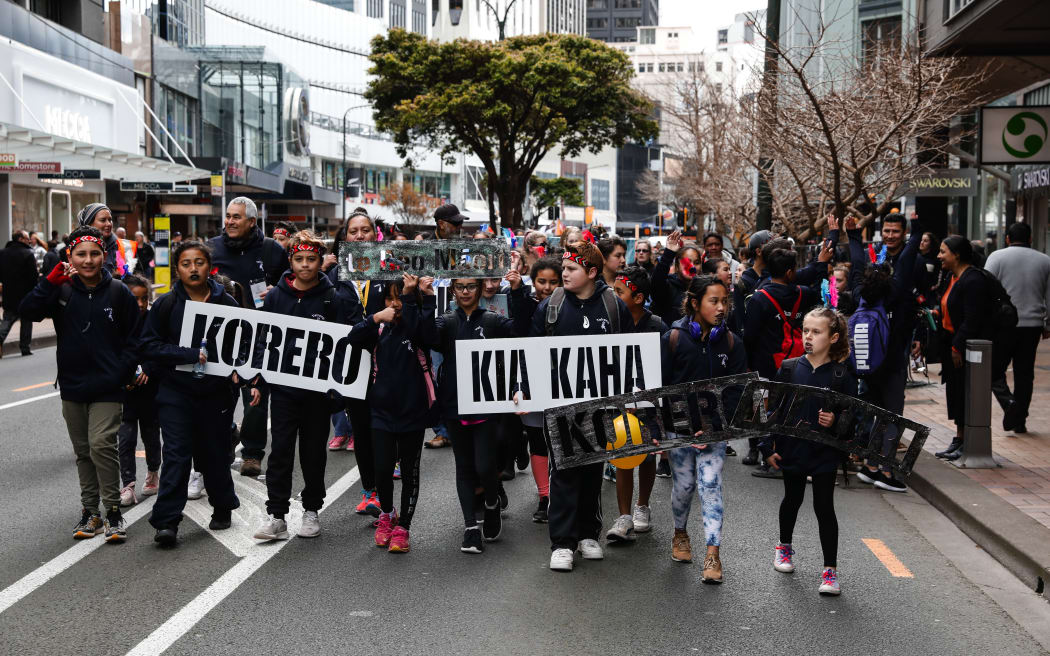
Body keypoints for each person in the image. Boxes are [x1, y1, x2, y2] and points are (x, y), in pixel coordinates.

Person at [511, 241, 632, 572]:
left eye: (571, 269)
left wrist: (630, 396)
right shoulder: (551, 306)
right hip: (559, 403)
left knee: (592, 469)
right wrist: (523, 388)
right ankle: (562, 542)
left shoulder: (612, 305)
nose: (563, 273)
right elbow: (532, 351)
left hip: (598, 405)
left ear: (591, 272)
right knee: (563, 470)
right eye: (563, 267)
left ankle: (588, 535)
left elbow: (628, 354)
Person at [20, 225, 140, 542]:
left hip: (108, 386)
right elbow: (27, 310)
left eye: (94, 254)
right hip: (73, 386)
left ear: (103, 255)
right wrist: (49, 282)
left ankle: (113, 511)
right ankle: (90, 512)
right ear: (70, 256)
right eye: (81, 254)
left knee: (101, 445)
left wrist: (122, 372)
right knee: (84, 451)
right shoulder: (61, 290)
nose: (88, 260)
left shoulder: (119, 292)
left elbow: (134, 340)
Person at [253, 231, 357, 541]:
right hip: (284, 390)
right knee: (280, 452)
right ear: (291, 261)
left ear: (320, 261)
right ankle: (277, 515)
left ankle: (311, 510)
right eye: (299, 259)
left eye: (311, 259)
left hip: (317, 392)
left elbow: (343, 344)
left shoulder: (331, 297)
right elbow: (264, 337)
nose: (305, 265)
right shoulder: (275, 297)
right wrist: (257, 376)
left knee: (313, 453)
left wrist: (337, 387)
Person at [139, 241, 243, 546]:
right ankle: (166, 521)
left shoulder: (228, 304)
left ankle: (222, 506)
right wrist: (186, 354)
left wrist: (239, 372)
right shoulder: (166, 304)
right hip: (175, 393)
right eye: (186, 264)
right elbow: (149, 346)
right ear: (177, 269)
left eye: (199, 262)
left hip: (216, 393)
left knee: (215, 452)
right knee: (176, 455)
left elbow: (244, 345)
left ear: (209, 266)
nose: (193, 269)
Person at [762, 307, 856, 596]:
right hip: (793, 448)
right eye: (805, 331)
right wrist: (767, 446)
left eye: (816, 332)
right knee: (792, 499)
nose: (808, 337)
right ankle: (784, 547)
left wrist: (835, 421)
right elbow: (773, 410)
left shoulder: (842, 374)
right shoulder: (789, 368)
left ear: (833, 337)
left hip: (824, 452)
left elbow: (853, 416)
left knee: (824, 507)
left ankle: (830, 571)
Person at [659, 274, 747, 583]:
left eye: (725, 301)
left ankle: (713, 554)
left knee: (710, 485)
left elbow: (737, 392)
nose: (721, 308)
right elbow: (661, 388)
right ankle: (680, 534)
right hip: (678, 432)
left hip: (715, 433)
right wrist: (668, 427)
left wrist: (713, 427)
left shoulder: (733, 343)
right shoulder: (672, 338)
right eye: (714, 301)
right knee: (684, 487)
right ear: (695, 304)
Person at [423, 276, 517, 554]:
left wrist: (518, 292)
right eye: (460, 287)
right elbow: (428, 338)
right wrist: (427, 299)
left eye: (471, 286)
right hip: (455, 404)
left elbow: (522, 332)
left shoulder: (492, 321)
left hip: (486, 404)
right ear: (453, 290)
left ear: (480, 289)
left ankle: (491, 502)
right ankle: (470, 528)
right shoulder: (446, 321)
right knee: (464, 466)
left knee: (485, 465)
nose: (465, 291)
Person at [349, 274, 436, 553]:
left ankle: (404, 527)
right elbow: (352, 338)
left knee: (410, 471)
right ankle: (387, 515)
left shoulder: (417, 324)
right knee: (383, 468)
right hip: (381, 412)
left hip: (413, 411)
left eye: (401, 297)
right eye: (390, 297)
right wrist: (375, 317)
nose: (395, 304)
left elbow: (426, 336)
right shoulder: (379, 330)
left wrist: (416, 299)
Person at [208, 197, 287, 477]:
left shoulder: (272, 250)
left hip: (259, 335)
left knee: (255, 395)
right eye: (228, 216)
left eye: (236, 217)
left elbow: (291, 281)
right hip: (221, 335)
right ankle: (228, 434)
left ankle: (252, 453)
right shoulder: (212, 247)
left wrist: (278, 290)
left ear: (252, 222)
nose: (230, 221)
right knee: (217, 397)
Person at [842, 214, 921, 490]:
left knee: (876, 413)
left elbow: (856, 266)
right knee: (892, 415)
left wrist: (854, 237)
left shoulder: (860, 294)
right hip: (891, 362)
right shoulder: (894, 292)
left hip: (868, 364)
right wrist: (917, 231)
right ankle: (885, 472)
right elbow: (907, 259)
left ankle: (871, 465)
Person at [604, 266, 667, 544]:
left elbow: (664, 368)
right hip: (619, 402)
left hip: (649, 405)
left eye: (620, 292)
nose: (614, 296)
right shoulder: (611, 323)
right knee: (623, 454)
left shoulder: (658, 327)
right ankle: (624, 516)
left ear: (638, 298)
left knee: (648, 454)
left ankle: (643, 505)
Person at [326, 208, 380, 513]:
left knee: (385, 430)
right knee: (361, 428)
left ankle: (386, 489)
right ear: (345, 238)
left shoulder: (389, 268)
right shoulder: (333, 277)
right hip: (353, 366)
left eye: (365, 230)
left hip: (388, 363)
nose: (360, 236)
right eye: (353, 231)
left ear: (375, 235)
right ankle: (370, 492)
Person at [933, 236, 996, 460]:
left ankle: (967, 440)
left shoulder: (973, 280)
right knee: (956, 393)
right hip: (951, 343)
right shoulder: (951, 277)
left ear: (957, 255)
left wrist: (957, 347)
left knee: (966, 393)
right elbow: (948, 306)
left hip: (965, 348)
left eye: (943, 252)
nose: (939, 256)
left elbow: (972, 319)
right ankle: (959, 438)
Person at [984, 222, 1050, 434]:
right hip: (1032, 325)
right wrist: (1048, 323)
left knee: (993, 371)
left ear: (1007, 238)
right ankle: (1019, 419)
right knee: (1025, 374)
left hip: (1003, 325)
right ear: (1030, 239)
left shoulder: (996, 257)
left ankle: (1009, 403)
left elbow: (985, 288)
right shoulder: (1045, 260)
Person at [117, 275, 161, 506]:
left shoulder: (153, 319)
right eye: (136, 299)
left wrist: (149, 369)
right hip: (124, 390)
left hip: (149, 390)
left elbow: (160, 349)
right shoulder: (115, 320)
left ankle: (153, 472)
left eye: (145, 298)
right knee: (125, 439)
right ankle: (128, 484)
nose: (141, 304)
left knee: (151, 435)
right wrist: (122, 375)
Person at [0, 229, 38, 357]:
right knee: (26, 321)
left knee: (7, 319)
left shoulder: (2, 253)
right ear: (20, 239)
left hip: (8, 293)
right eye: (27, 238)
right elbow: (33, 277)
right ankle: (25, 347)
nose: (29, 241)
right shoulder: (28, 254)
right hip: (25, 294)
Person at [651, 231, 702, 325]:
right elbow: (656, 282)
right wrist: (669, 253)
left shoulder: (704, 289)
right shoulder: (668, 287)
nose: (692, 267)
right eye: (687, 262)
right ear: (677, 266)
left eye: (697, 262)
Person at [76, 204, 122, 275]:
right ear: (89, 224)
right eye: (103, 220)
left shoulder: (123, 247)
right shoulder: (73, 248)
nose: (109, 224)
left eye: (110, 220)